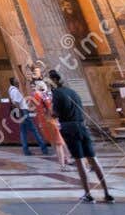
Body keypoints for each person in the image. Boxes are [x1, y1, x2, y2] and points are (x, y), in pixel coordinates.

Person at [48, 70, 114, 203]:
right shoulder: (73, 92)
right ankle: (107, 193)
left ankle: (88, 194)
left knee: (79, 162)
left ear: (53, 81)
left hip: (69, 128)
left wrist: (50, 111)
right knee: (93, 159)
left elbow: (56, 113)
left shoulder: (57, 94)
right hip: (82, 126)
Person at [8, 77, 49, 157]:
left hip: (22, 112)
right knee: (34, 130)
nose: (18, 82)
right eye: (17, 81)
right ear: (14, 83)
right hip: (23, 112)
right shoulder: (15, 91)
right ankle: (44, 148)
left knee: (23, 132)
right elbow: (16, 103)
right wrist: (20, 113)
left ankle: (26, 150)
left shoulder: (11, 90)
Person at [30, 80, 67, 167]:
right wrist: (56, 118)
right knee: (59, 143)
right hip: (50, 120)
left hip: (42, 121)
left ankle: (63, 159)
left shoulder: (33, 96)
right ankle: (63, 164)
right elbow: (50, 107)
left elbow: (34, 108)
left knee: (53, 142)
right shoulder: (44, 95)